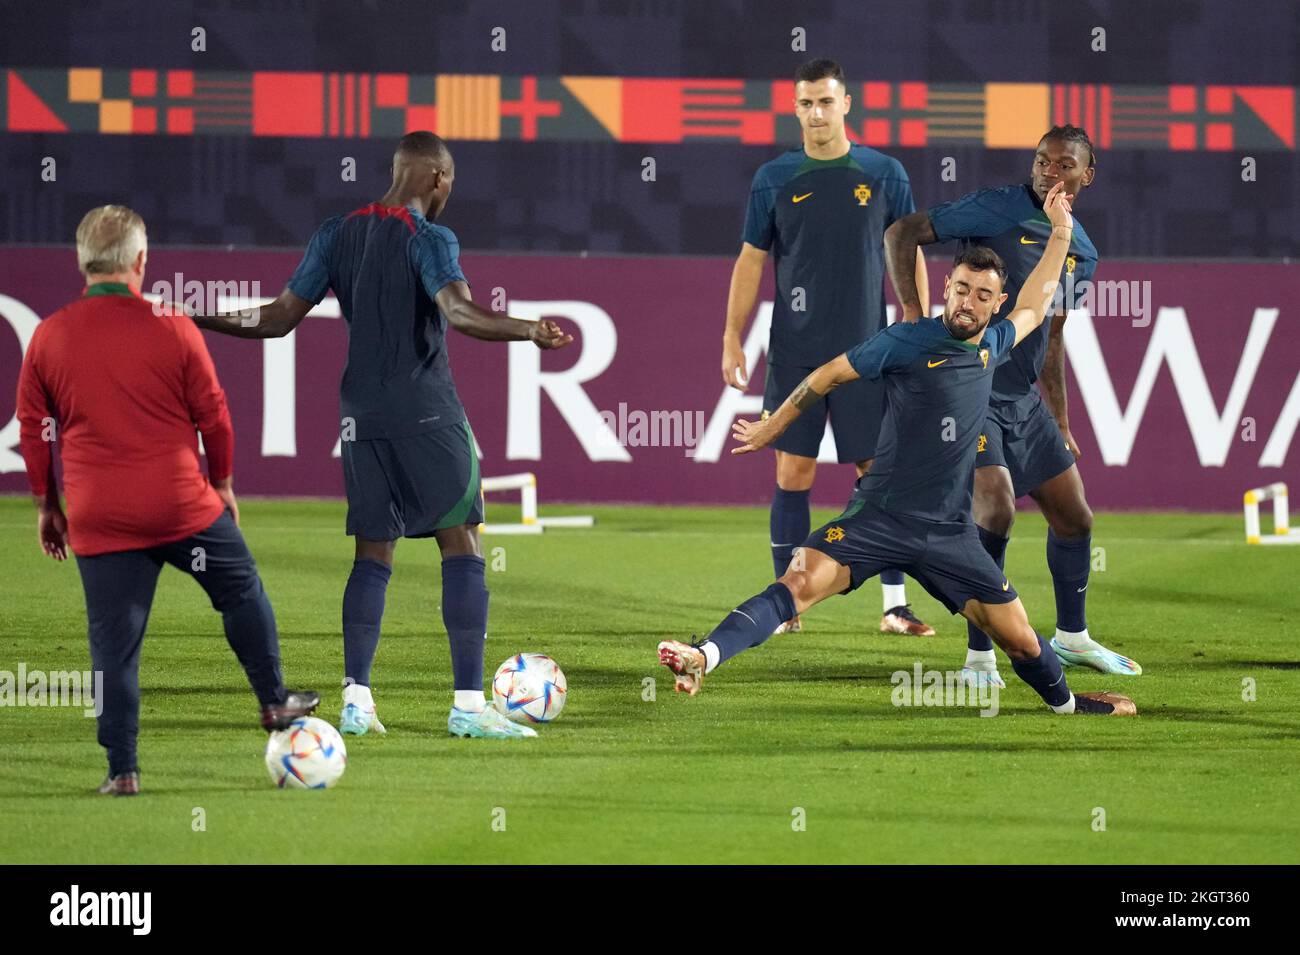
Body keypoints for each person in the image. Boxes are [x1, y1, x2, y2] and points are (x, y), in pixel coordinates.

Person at [661, 183, 1135, 717]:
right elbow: (828, 374)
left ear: (997, 303)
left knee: (1023, 640)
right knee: (798, 583)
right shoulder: (906, 340)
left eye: (982, 295)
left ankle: (1071, 706)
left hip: (949, 534)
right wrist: (775, 425)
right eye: (960, 288)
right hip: (878, 518)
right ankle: (705, 655)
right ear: (947, 288)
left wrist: (1063, 231)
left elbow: (1040, 297)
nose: (967, 301)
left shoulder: (994, 343)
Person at [191, 132, 572, 739]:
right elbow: (460, 313)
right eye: (450, 184)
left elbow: (276, 318)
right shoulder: (430, 237)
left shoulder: (336, 232)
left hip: (358, 418)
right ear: (437, 178)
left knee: (373, 552)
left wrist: (197, 317)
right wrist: (529, 329)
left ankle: (358, 702)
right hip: (426, 413)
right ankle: (469, 707)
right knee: (463, 545)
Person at [16, 205, 320, 796]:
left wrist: (46, 506)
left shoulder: (50, 334)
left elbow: (34, 433)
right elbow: (216, 416)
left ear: (83, 264)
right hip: (180, 505)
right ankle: (274, 701)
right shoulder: (172, 324)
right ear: (140, 261)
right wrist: (224, 482)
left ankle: (122, 770)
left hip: (99, 515)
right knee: (239, 590)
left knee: (114, 645)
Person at [884, 124, 1140, 686]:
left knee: (1074, 516)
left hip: (1023, 402)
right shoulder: (997, 209)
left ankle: (1071, 638)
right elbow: (903, 232)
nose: (1050, 172)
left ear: (1085, 175)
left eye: (1064, 165)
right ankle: (979, 658)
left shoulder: (1083, 251)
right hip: (967, 392)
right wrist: (910, 311)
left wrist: (1062, 419)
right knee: (995, 509)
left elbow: (1052, 334)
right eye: (1042, 161)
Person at [721, 57, 934, 637]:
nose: (816, 112)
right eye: (806, 103)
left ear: (846, 105)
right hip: (795, 353)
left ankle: (894, 605)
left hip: (869, 354)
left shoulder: (884, 172)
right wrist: (732, 336)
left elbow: (909, 245)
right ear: (796, 109)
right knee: (793, 472)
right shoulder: (774, 178)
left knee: (876, 473)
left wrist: (920, 320)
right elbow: (750, 261)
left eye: (825, 101)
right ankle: (784, 606)